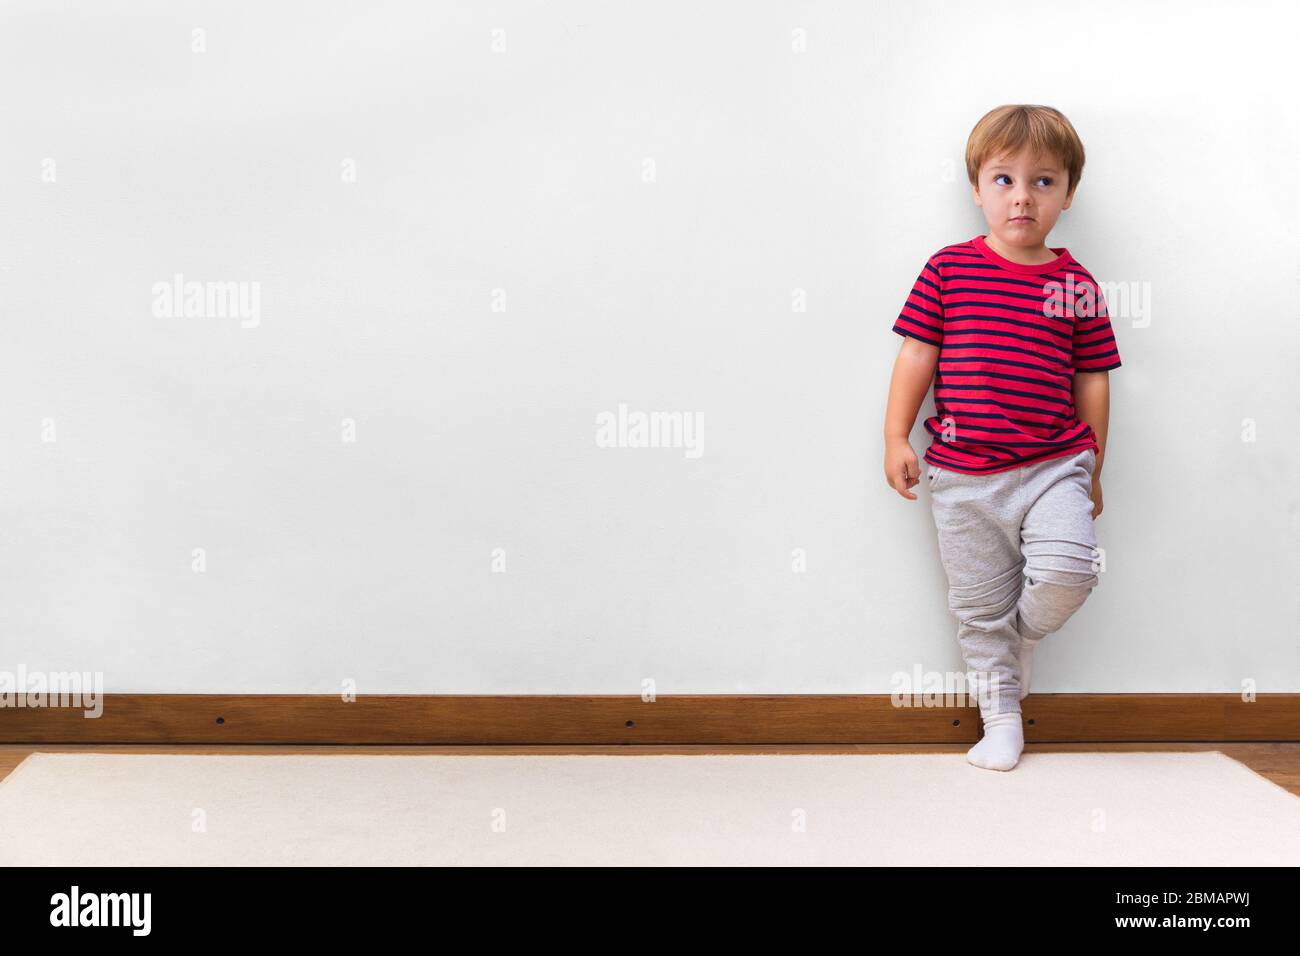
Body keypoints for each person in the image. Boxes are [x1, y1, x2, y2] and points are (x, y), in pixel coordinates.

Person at [883, 104, 1122, 771]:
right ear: (977, 189)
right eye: (1004, 179)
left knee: (1071, 571)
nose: (1022, 196)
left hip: (1055, 465)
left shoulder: (1075, 284)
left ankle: (1017, 640)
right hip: (962, 476)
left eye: (1043, 181)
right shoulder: (949, 271)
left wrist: (1095, 466)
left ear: (1068, 193)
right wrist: (894, 435)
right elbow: (915, 355)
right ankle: (1002, 719)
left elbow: (1094, 379)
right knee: (977, 609)